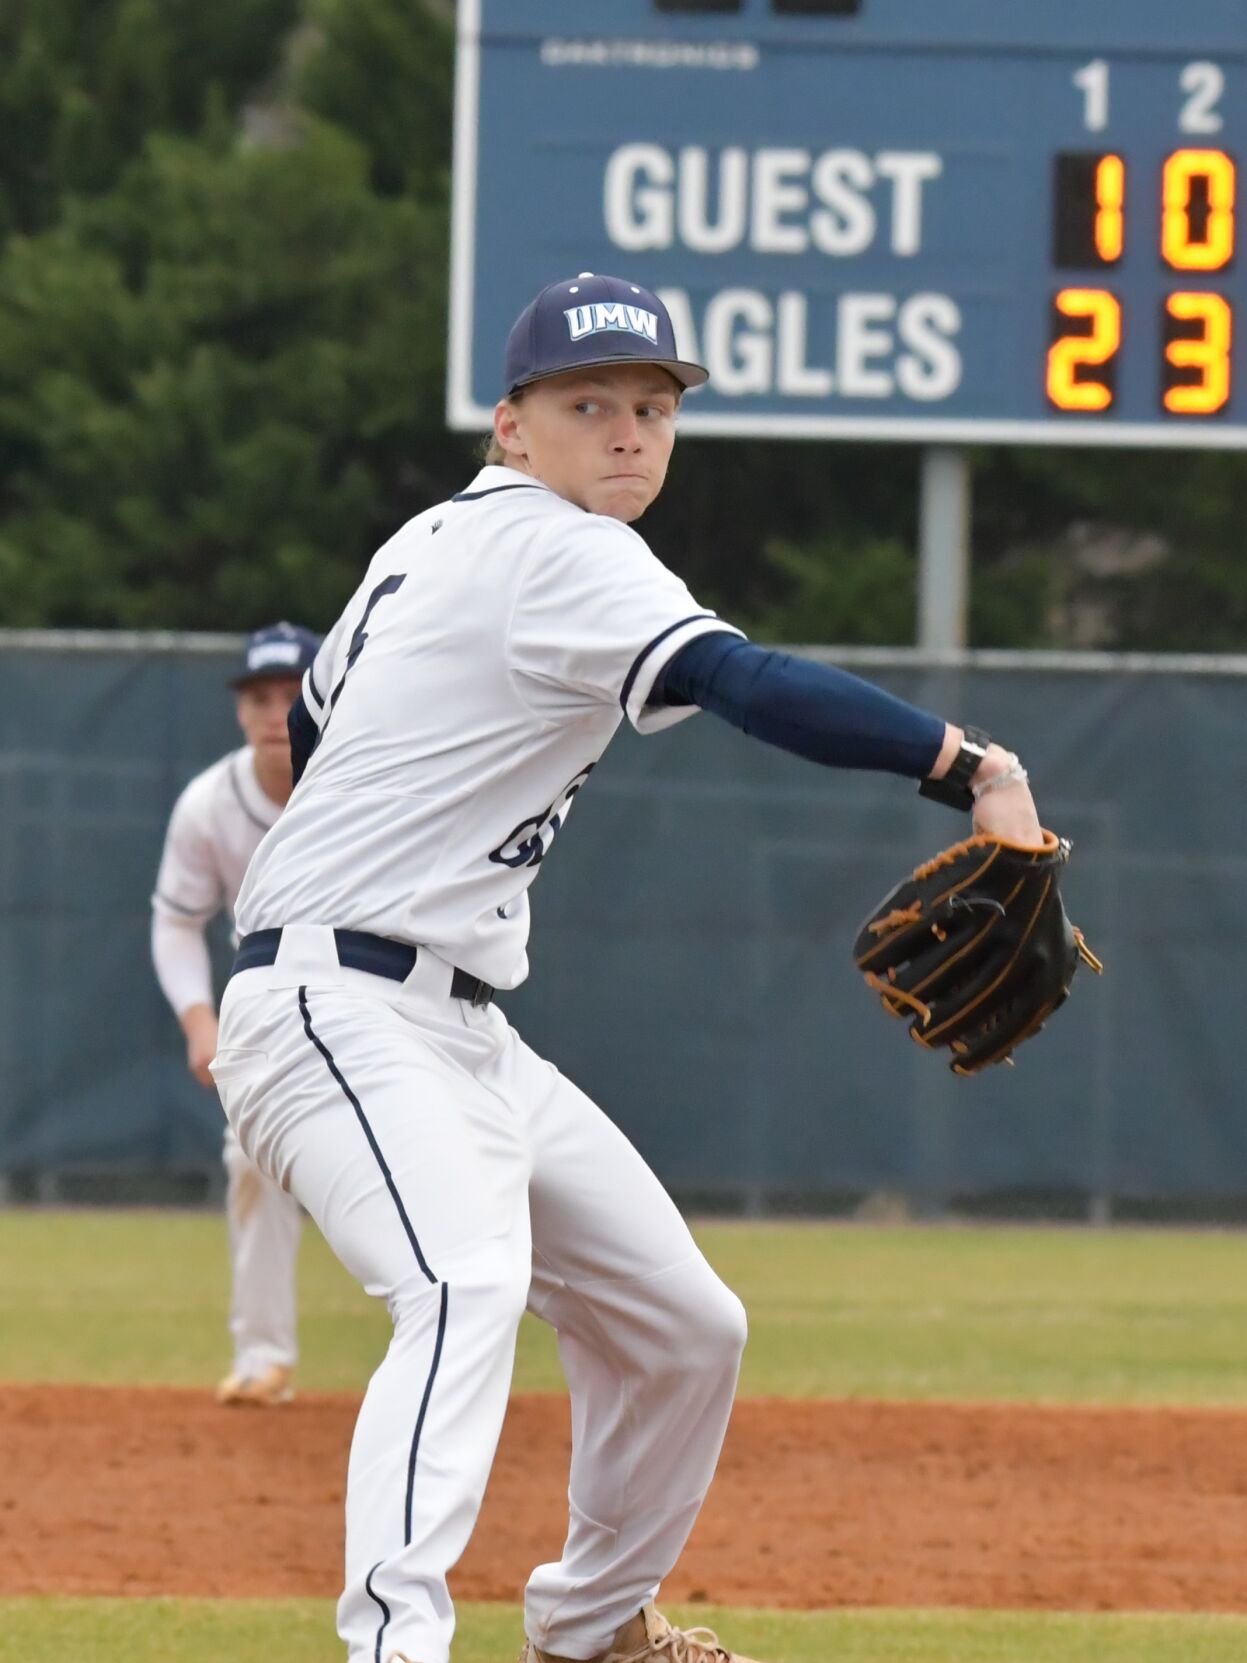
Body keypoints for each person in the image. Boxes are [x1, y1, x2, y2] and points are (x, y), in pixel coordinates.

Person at [211, 273, 1046, 1663]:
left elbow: (308, 721)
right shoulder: (565, 548)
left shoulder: (421, 540)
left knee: (681, 1322)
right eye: (584, 402)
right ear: (509, 425)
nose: (624, 433)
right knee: (464, 1283)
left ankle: (592, 1624)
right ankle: (391, 1646)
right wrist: (964, 764)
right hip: (336, 1010)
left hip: (460, 1026)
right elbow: (745, 679)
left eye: (651, 406)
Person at [151, 621, 320, 1406]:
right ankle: (262, 1359)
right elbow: (177, 920)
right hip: (270, 1011)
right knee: (252, 1162)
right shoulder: (210, 804)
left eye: (291, 693)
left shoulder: (365, 779)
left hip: (394, 997)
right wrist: (197, 1020)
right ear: (239, 709)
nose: (273, 709)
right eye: (258, 695)